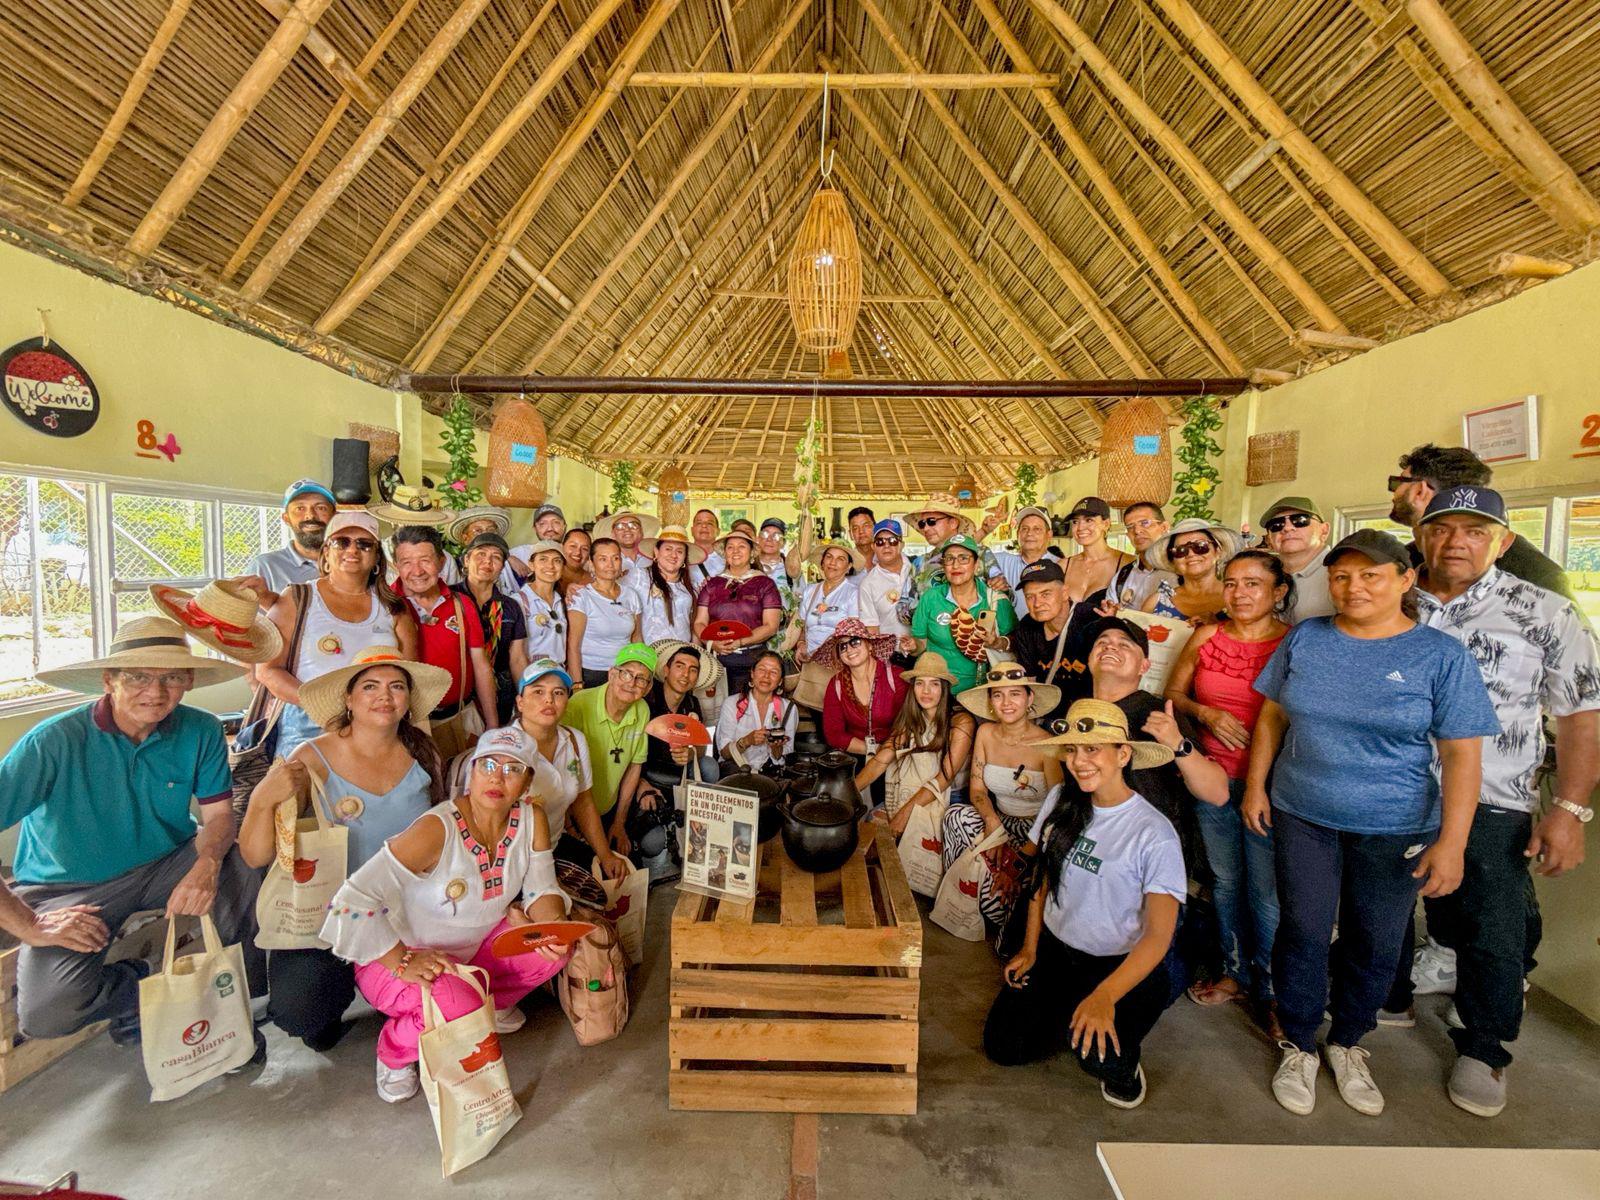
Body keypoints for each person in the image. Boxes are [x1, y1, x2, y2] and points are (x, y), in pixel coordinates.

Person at [1244, 528, 1499, 1118]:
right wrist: (1257, 784)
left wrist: (1452, 843)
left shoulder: (1439, 656)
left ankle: (1350, 1041)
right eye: (1341, 576)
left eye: (1370, 575)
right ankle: (1300, 1041)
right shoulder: (1308, 638)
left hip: (1394, 823)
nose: (1353, 587)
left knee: (1376, 938)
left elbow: (1463, 755)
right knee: (1304, 929)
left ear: (1406, 580)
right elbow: (1273, 715)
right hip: (1302, 810)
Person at [1401, 487, 1599, 1117]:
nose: (1456, 542)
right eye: (1443, 528)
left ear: (1503, 542)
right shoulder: (1392, 599)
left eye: (1476, 531)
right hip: (1392, 788)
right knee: (1383, 901)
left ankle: (1486, 1047)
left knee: (1493, 926)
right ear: (1422, 536)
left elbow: (1579, 716)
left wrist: (1569, 810)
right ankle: (1385, 998)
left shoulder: (1544, 611)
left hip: (1493, 796)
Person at [0, 619, 260, 1054]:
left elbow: (218, 817)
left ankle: (231, 998)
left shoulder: (200, 729)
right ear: (109, 681)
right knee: (48, 1014)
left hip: (166, 860)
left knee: (247, 863)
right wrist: (29, 925)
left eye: (171, 678)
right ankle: (140, 986)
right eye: (138, 677)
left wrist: (206, 865)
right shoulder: (53, 742)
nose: (156, 693)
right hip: (70, 886)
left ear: (188, 682)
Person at [320, 726, 572, 1103]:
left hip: (471, 951)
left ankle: (485, 1007)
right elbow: (350, 901)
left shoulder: (530, 817)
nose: (497, 777)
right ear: (471, 770)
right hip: (401, 959)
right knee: (456, 1001)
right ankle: (394, 1052)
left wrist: (549, 926)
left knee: (552, 949)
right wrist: (400, 959)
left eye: (512, 769)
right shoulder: (437, 829)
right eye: (487, 764)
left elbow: (541, 888)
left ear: (527, 780)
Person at [239, 645, 448, 1051]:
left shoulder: (423, 750)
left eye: (397, 686)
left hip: (407, 908)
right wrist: (262, 801)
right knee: (303, 1012)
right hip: (329, 912)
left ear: (408, 700)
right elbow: (255, 856)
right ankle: (338, 991)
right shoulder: (311, 758)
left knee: (441, 992)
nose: (384, 696)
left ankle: (381, 987)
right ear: (349, 699)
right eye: (370, 686)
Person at [985, 700, 1184, 1109]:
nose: (1079, 761)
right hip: (1058, 953)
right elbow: (1042, 879)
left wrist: (1106, 995)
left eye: (1093, 749)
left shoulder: (1154, 833)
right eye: (1073, 750)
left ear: (1123, 753)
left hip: (1118, 965)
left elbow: (1159, 935)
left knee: (1097, 1057)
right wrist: (1030, 948)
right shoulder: (1061, 797)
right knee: (1004, 1047)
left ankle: (1125, 1062)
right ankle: (1067, 1009)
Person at [1164, 550, 1291, 1022]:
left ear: (1278, 591)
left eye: (1253, 584)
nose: (1239, 593)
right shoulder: (1206, 636)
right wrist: (1207, 713)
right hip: (1212, 777)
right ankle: (1236, 973)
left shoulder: (1295, 643)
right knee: (1225, 881)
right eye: (1233, 583)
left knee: (1267, 890)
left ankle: (1273, 987)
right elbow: (1174, 694)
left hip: (1272, 783)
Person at [261, 510, 418, 761]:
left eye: (364, 544)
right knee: (307, 797)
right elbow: (268, 670)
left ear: (377, 556)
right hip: (308, 725)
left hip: (377, 726)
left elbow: (410, 675)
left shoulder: (394, 608)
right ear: (326, 553)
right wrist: (324, 707)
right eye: (341, 542)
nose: (352, 550)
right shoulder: (297, 598)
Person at [942, 664, 1064, 933]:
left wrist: (1017, 863)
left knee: (998, 904)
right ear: (990, 702)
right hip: (997, 820)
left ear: (1029, 698)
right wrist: (992, 823)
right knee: (955, 816)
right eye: (998, 695)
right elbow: (977, 790)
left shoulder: (1047, 745)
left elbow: (1056, 808)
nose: (1006, 703)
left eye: (1015, 694)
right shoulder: (985, 733)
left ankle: (995, 899)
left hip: (1035, 833)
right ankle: (962, 892)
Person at [1388, 443, 1574, 599]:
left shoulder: (1539, 577)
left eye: (1398, 483)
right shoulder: (1407, 559)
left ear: (1420, 491)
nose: (1394, 493)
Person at [504, 659, 629, 878]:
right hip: (510, 862)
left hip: (554, 847)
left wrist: (605, 854)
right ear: (520, 702)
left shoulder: (573, 740)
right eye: (538, 692)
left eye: (559, 693)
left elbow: (583, 800)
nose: (549, 700)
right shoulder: (504, 750)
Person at [392, 525, 496, 760]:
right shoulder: (386, 605)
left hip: (461, 718)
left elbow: (481, 666)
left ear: (440, 562)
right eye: (406, 562)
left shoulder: (461, 604)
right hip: (407, 728)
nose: (416, 571)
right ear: (396, 565)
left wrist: (492, 724)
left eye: (425, 560)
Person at [855, 653, 976, 833]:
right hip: (914, 789)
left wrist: (903, 816)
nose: (925, 691)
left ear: (944, 688)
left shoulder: (960, 722)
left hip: (951, 797)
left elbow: (945, 778)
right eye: (920, 683)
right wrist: (848, 793)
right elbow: (880, 761)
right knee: (870, 824)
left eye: (934, 684)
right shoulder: (911, 720)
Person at [560, 643, 660, 857]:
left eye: (641, 679)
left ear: (648, 687)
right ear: (612, 674)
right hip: (571, 816)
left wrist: (619, 823)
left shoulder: (642, 710)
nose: (631, 683)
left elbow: (634, 766)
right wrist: (569, 827)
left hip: (608, 811)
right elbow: (559, 771)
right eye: (626, 674)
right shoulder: (578, 705)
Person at [910, 534, 1016, 694]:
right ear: (943, 565)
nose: (955, 565)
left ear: (976, 565)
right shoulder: (930, 598)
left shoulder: (994, 599)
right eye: (949, 559)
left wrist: (996, 642)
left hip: (980, 691)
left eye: (963, 558)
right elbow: (921, 645)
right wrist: (912, 646)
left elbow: (1017, 643)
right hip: (935, 691)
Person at [694, 526, 782, 695]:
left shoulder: (765, 584)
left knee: (746, 710)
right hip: (716, 660)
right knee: (716, 712)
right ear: (725, 553)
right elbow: (700, 622)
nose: (735, 551)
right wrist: (712, 643)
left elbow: (771, 626)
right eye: (730, 547)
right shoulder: (712, 584)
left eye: (741, 546)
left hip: (752, 660)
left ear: (751, 552)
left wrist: (740, 642)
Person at [454, 531, 528, 726]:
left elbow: (518, 657)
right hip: (460, 689)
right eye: (481, 554)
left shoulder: (510, 606)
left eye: (496, 557)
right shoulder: (449, 598)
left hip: (500, 689)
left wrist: (525, 698)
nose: (488, 561)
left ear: (501, 568)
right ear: (467, 560)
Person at [818, 619, 906, 774]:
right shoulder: (836, 684)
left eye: (855, 641)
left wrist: (886, 752)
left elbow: (907, 723)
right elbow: (834, 733)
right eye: (842, 647)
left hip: (895, 758)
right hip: (855, 760)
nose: (849, 649)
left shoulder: (895, 676)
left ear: (870, 644)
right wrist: (872, 750)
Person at [1008, 558, 1089, 722]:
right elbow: (1030, 683)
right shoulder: (1026, 627)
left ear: (1065, 593)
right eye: (1030, 597)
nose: (1037, 603)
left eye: (1045, 594)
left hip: (1087, 715)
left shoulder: (1090, 620)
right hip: (1047, 714)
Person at [568, 537, 643, 690]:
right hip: (592, 673)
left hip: (624, 673)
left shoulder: (631, 595)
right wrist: (577, 684)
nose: (610, 565)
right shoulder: (582, 596)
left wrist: (640, 671)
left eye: (615, 558)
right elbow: (573, 644)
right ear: (591, 563)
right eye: (603, 559)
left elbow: (637, 638)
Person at [246, 478, 336, 602]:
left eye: (320, 508)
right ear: (286, 518)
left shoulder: (352, 561)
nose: (310, 515)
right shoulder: (265, 567)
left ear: (335, 516)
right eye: (300, 508)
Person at [904, 493, 1008, 596]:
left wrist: (1001, 586)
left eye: (931, 521)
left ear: (953, 523)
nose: (925, 528)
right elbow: (906, 605)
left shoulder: (980, 553)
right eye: (922, 524)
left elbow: (1008, 597)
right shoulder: (919, 564)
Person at [1142, 518, 1242, 624]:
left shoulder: (1238, 597)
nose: (1191, 554)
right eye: (1180, 550)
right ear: (1173, 561)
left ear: (1217, 552)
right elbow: (1134, 639)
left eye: (1200, 546)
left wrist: (1217, 629)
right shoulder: (1156, 602)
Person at [715, 651, 798, 772]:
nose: (766, 676)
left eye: (774, 672)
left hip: (769, 774)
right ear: (752, 674)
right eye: (762, 669)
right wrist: (747, 741)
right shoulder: (732, 704)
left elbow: (784, 755)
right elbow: (724, 753)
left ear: (780, 681)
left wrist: (776, 748)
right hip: (737, 773)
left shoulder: (789, 709)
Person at [783, 541, 862, 662]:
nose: (833, 562)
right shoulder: (810, 591)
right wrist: (801, 643)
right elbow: (802, 626)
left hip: (838, 661)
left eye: (840, 559)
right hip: (809, 660)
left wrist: (825, 652)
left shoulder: (853, 593)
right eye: (829, 557)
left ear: (849, 566)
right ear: (822, 562)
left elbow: (853, 634)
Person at [1259, 496, 1333, 623]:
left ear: (1324, 530)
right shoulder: (1264, 574)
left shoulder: (1342, 573)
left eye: (1300, 520)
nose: (1287, 528)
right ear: (1269, 539)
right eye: (1277, 524)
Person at [856, 519, 917, 662]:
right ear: (873, 546)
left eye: (892, 540)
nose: (886, 546)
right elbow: (872, 631)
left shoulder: (917, 568)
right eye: (880, 542)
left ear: (901, 544)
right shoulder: (868, 584)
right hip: (891, 658)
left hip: (924, 650)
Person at [633, 526, 702, 644]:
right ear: (656, 551)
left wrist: (696, 653)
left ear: (685, 557)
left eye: (679, 551)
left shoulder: (691, 586)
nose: (674, 555)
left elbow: (694, 625)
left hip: (681, 655)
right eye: (668, 549)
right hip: (649, 655)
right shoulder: (640, 577)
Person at [1061, 497, 1133, 606]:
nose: (1080, 527)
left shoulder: (1127, 563)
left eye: (1089, 520)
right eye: (1075, 522)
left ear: (1106, 524)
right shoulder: (1063, 566)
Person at [1107, 501, 1175, 611]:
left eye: (1145, 523)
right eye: (1130, 526)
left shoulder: (1182, 571)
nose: (1137, 531)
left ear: (1164, 527)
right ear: (1127, 536)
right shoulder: (1123, 576)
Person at [441, 506, 523, 593]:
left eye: (491, 530)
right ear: (465, 538)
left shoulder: (509, 565)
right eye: (478, 531)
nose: (485, 535)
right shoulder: (454, 567)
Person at [516, 539, 569, 665]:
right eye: (543, 559)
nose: (550, 566)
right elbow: (516, 654)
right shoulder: (519, 601)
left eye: (557, 561)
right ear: (531, 564)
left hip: (559, 673)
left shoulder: (564, 601)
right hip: (533, 674)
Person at [995, 505, 1055, 617]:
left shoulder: (1060, 565)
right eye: (1024, 529)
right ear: (1018, 534)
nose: (1029, 533)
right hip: (1009, 633)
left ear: (1049, 534)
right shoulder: (1003, 561)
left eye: (1037, 529)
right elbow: (964, 553)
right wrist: (984, 531)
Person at [592, 510, 658, 581]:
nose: (627, 529)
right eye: (620, 526)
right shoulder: (605, 563)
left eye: (633, 525)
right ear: (613, 534)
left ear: (641, 532)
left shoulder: (654, 559)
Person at [689, 509, 725, 584]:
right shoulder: (682, 558)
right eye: (699, 523)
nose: (704, 526)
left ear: (718, 531)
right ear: (692, 530)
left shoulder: (727, 559)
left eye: (709, 523)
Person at [559, 527, 592, 596]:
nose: (578, 553)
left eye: (584, 549)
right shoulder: (550, 575)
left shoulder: (593, 581)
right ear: (562, 547)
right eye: (573, 546)